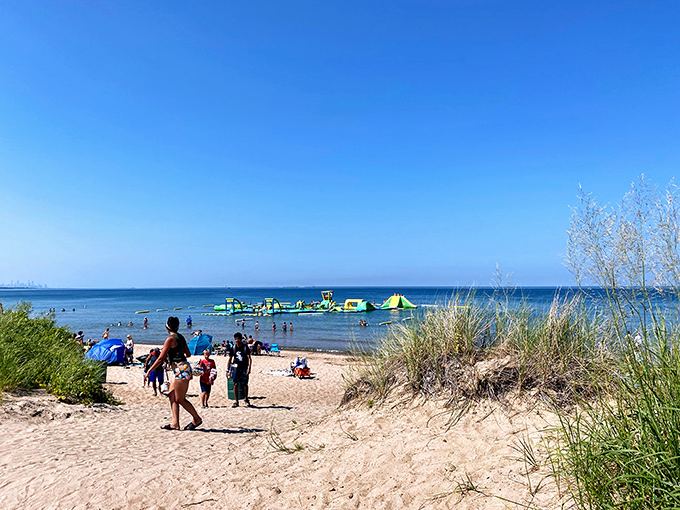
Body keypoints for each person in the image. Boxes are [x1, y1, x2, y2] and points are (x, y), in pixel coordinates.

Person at [147, 316, 202, 430]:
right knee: (172, 396)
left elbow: (160, 358)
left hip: (180, 369)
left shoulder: (170, 339)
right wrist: (175, 355)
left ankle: (197, 419)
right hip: (181, 368)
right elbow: (188, 354)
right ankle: (175, 423)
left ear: (167, 326)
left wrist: (149, 370)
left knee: (179, 399)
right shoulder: (180, 337)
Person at [227, 332, 252, 407]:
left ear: (241, 339)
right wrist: (227, 369)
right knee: (235, 384)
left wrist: (249, 368)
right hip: (235, 369)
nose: (237, 341)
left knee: (245, 384)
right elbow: (230, 359)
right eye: (235, 339)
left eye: (238, 339)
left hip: (243, 368)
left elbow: (249, 358)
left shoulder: (245, 347)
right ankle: (236, 401)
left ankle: (246, 398)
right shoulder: (233, 348)